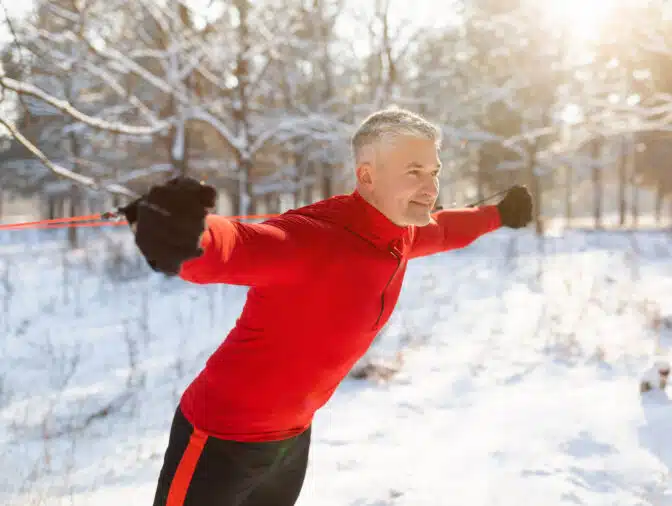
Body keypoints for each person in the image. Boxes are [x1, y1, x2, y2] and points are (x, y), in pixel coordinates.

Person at [125, 107, 533, 506]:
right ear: (367, 176)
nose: (430, 188)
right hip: (220, 439)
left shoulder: (401, 233)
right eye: (414, 172)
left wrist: (497, 214)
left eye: (433, 172)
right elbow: (239, 246)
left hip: (290, 443)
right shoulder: (314, 239)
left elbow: (445, 228)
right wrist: (190, 236)